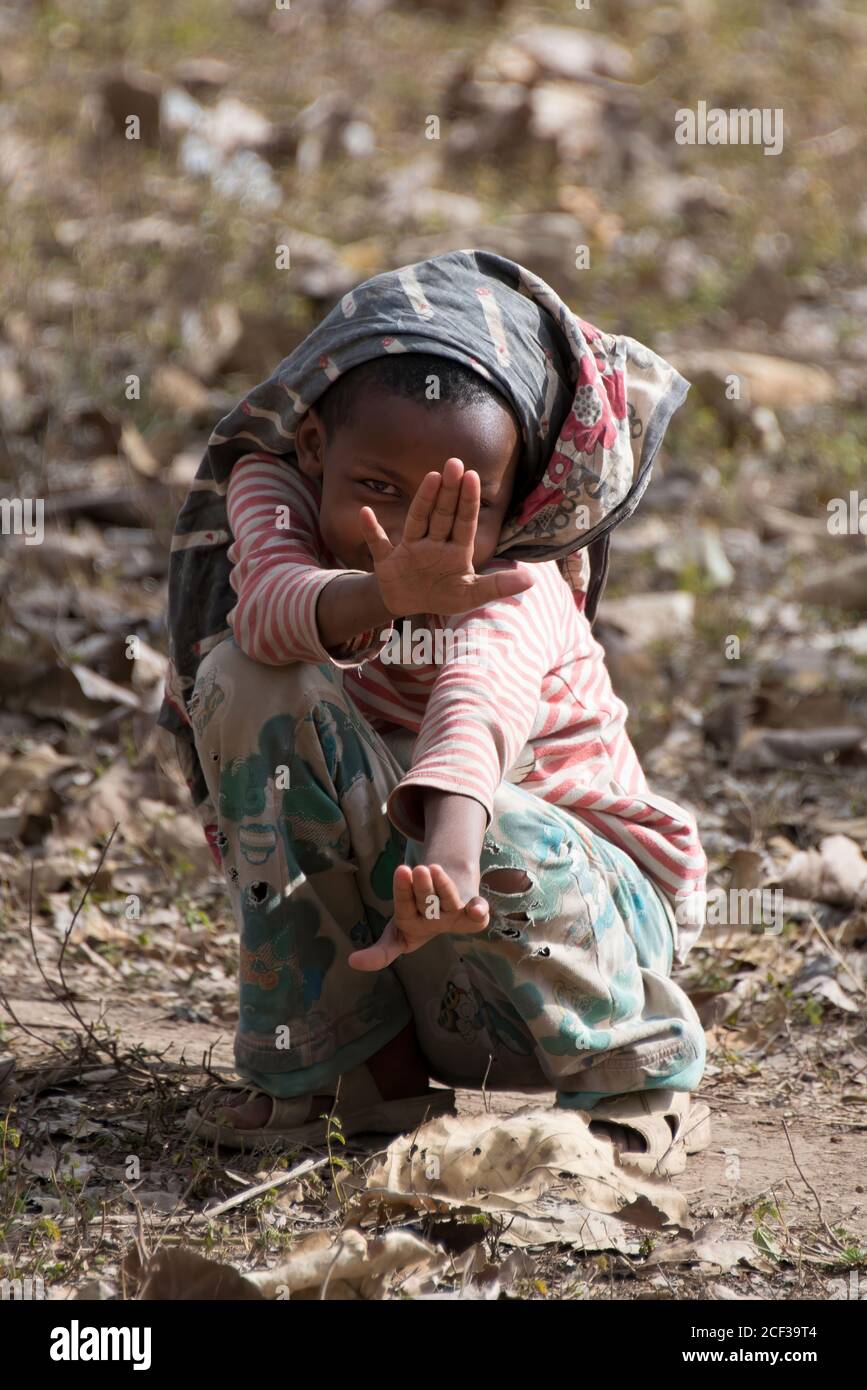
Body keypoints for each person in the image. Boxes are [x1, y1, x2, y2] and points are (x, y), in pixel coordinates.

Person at [158, 249, 710, 1175]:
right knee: (242, 671)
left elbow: (475, 711)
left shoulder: (522, 567)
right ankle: (354, 1069)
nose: (413, 533)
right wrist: (385, 596)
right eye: (376, 488)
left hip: (557, 930)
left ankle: (634, 1080)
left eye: (458, 508)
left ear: (516, 500)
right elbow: (264, 610)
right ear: (313, 452)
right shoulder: (271, 493)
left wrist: (452, 860)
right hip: (406, 951)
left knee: (501, 837)